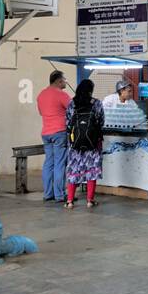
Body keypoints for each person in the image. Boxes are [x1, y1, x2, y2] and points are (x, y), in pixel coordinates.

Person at [65, 79, 105, 209]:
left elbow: (67, 123)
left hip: (75, 145)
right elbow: (101, 121)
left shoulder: (72, 103)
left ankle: (70, 201)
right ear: (90, 90)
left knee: (73, 169)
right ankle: (89, 200)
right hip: (93, 144)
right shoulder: (97, 103)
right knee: (91, 171)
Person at [36, 70, 71, 203]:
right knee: (60, 163)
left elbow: (41, 112)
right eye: (64, 80)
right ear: (58, 81)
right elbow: (72, 110)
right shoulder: (61, 94)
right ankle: (60, 195)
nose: (65, 82)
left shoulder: (41, 95)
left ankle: (47, 194)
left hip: (46, 133)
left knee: (48, 163)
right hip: (60, 132)